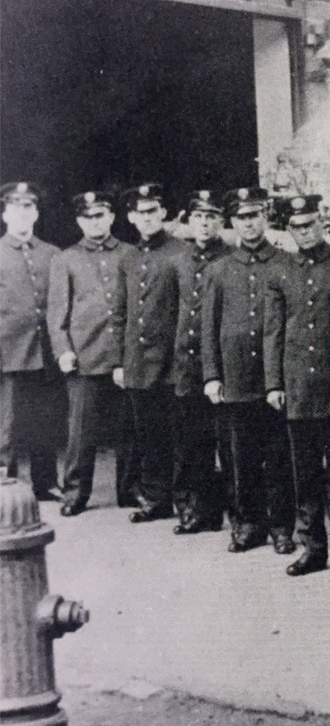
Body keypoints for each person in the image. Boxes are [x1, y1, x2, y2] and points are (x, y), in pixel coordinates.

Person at [264, 195, 330, 579]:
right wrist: (274, 383)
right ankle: (313, 550)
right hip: (297, 389)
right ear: (288, 230)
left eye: (309, 224)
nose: (304, 232)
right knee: (304, 475)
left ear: (321, 223)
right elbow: (274, 332)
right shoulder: (281, 270)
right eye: (296, 227)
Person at [202, 187, 296, 554]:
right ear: (233, 223)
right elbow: (209, 326)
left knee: (278, 457)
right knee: (240, 458)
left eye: (255, 216)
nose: (249, 223)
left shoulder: (286, 262)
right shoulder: (219, 269)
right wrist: (212, 375)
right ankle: (246, 523)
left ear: (266, 218)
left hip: (277, 379)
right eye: (242, 217)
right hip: (236, 377)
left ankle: (281, 527)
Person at [48, 190, 139, 516]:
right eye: (88, 217)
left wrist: (130, 357)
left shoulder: (130, 254)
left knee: (128, 429)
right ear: (78, 221)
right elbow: (56, 313)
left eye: (100, 215)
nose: (94, 222)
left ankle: (129, 490)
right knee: (81, 432)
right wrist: (63, 351)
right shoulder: (66, 259)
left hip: (124, 357)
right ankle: (75, 494)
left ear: (112, 217)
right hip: (84, 358)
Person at [112, 183, 190, 523]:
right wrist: (120, 360)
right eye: (140, 212)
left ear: (163, 213)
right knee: (149, 436)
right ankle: (156, 500)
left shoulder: (181, 251)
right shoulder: (128, 257)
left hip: (172, 363)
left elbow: (188, 309)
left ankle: (186, 501)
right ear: (131, 217)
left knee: (181, 436)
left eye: (153, 211)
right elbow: (120, 313)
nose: (147, 217)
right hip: (139, 363)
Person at [171, 189, 233, 534]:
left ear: (221, 222)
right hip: (188, 366)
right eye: (198, 216)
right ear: (189, 221)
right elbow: (169, 315)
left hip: (225, 367)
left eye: (211, 217)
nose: (204, 223)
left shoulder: (233, 258)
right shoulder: (179, 260)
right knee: (193, 444)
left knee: (228, 444)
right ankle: (198, 512)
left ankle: (238, 513)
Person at [0, 182, 63, 500]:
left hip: (45, 350)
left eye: (29, 208)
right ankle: (3, 484)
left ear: (36, 213)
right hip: (8, 351)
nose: (22, 214)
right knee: (7, 423)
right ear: (5, 213)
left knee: (45, 420)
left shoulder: (52, 254)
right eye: (16, 207)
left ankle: (45, 482)